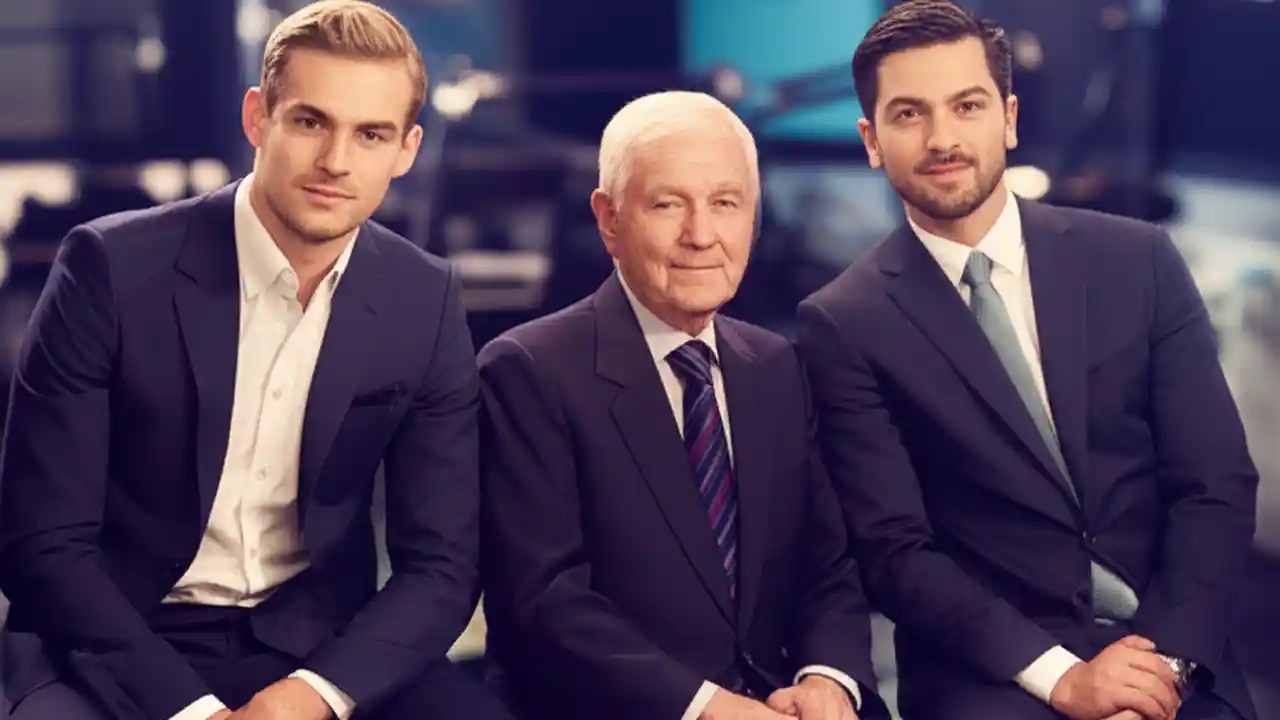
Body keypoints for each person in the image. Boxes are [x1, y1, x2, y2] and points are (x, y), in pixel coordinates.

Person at [0, 2, 513, 718]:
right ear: (257, 118)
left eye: (371, 135)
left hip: (312, 645)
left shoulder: (422, 298)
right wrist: (196, 710)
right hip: (112, 641)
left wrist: (311, 696)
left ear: (407, 150)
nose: (337, 161)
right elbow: (43, 546)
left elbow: (442, 569)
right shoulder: (110, 269)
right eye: (310, 122)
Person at [795, 2, 1260, 720]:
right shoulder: (842, 322)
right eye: (910, 114)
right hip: (997, 674)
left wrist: (1163, 666)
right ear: (872, 141)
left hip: (1173, 651)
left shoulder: (1139, 261)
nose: (943, 138)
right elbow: (896, 553)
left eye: (967, 105)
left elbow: (1216, 484)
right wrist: (1064, 679)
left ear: (1007, 118)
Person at [478, 91, 886, 720]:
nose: (701, 236)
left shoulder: (776, 365)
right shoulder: (528, 371)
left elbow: (826, 566)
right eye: (668, 204)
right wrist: (710, 708)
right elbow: (547, 602)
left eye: (725, 204)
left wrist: (826, 680)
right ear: (608, 219)